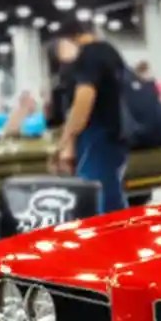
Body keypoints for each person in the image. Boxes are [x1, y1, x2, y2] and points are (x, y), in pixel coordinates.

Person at [50, 23, 130, 214]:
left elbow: (83, 101)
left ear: (68, 39)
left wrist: (64, 140)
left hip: (97, 136)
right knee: (111, 195)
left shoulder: (89, 54)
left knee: (94, 199)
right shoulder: (109, 52)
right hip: (116, 135)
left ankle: (103, 242)